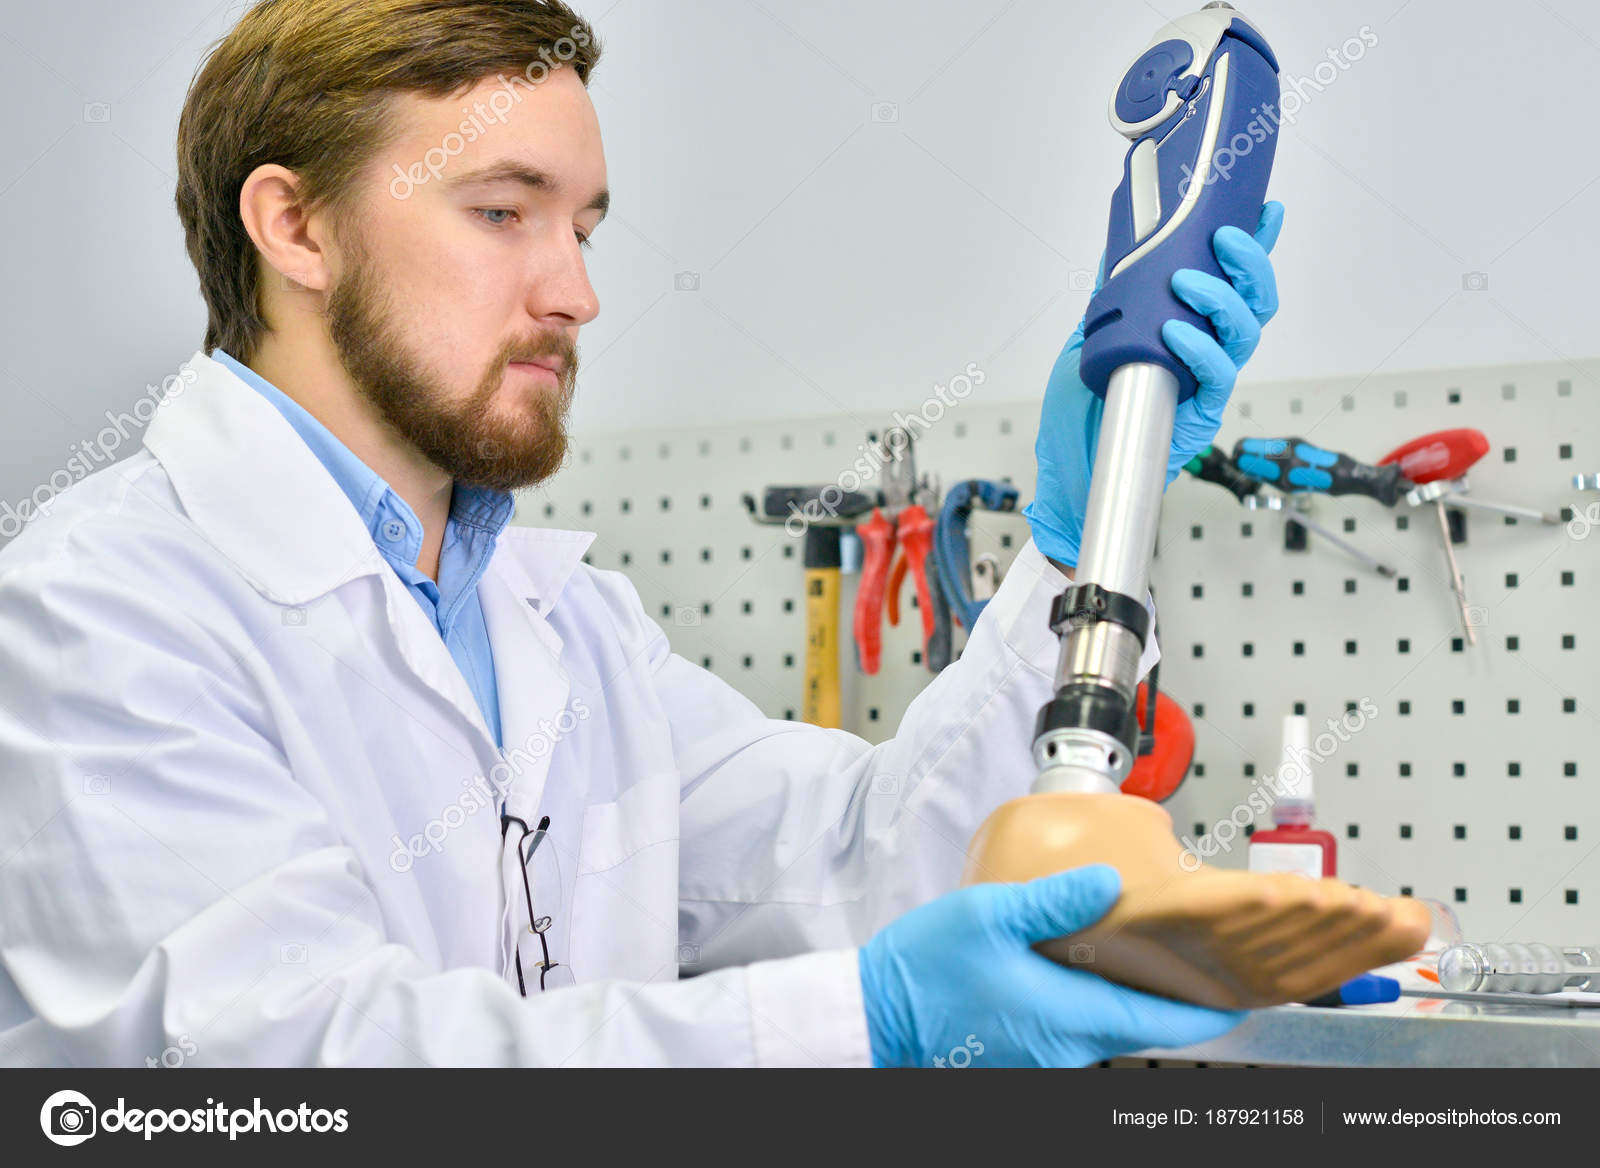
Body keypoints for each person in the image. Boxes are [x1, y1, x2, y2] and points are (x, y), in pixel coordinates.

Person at [0, 0, 1281, 1067]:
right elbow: (287, 1071)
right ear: (295, 227)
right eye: (502, 212)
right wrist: (870, 1019)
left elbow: (868, 870)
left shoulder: (567, 624)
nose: (576, 293)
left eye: (583, 227)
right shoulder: (101, 613)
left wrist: (1073, 536)